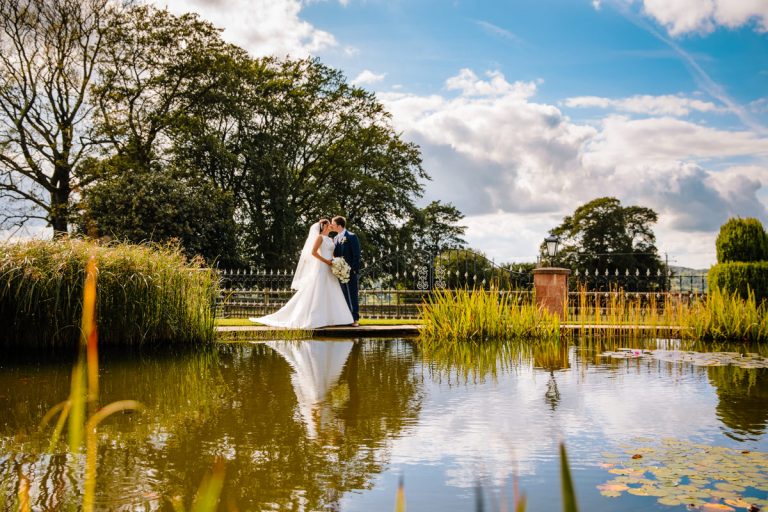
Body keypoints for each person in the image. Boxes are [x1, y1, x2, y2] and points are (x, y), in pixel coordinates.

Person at [250, 219, 354, 329]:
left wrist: (336, 262)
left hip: (330, 267)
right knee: (318, 291)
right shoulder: (320, 238)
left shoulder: (330, 239)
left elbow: (332, 254)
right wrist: (326, 261)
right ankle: (316, 318)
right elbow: (313, 253)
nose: (331, 226)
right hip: (322, 266)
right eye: (329, 224)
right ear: (324, 226)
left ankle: (333, 319)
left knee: (331, 291)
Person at [330, 216, 361, 327]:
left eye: (332, 224)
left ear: (339, 225)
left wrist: (352, 270)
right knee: (344, 296)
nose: (331, 225)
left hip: (351, 272)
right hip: (340, 272)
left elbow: (356, 255)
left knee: (352, 295)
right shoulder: (336, 238)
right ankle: (346, 318)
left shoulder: (352, 236)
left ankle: (355, 319)